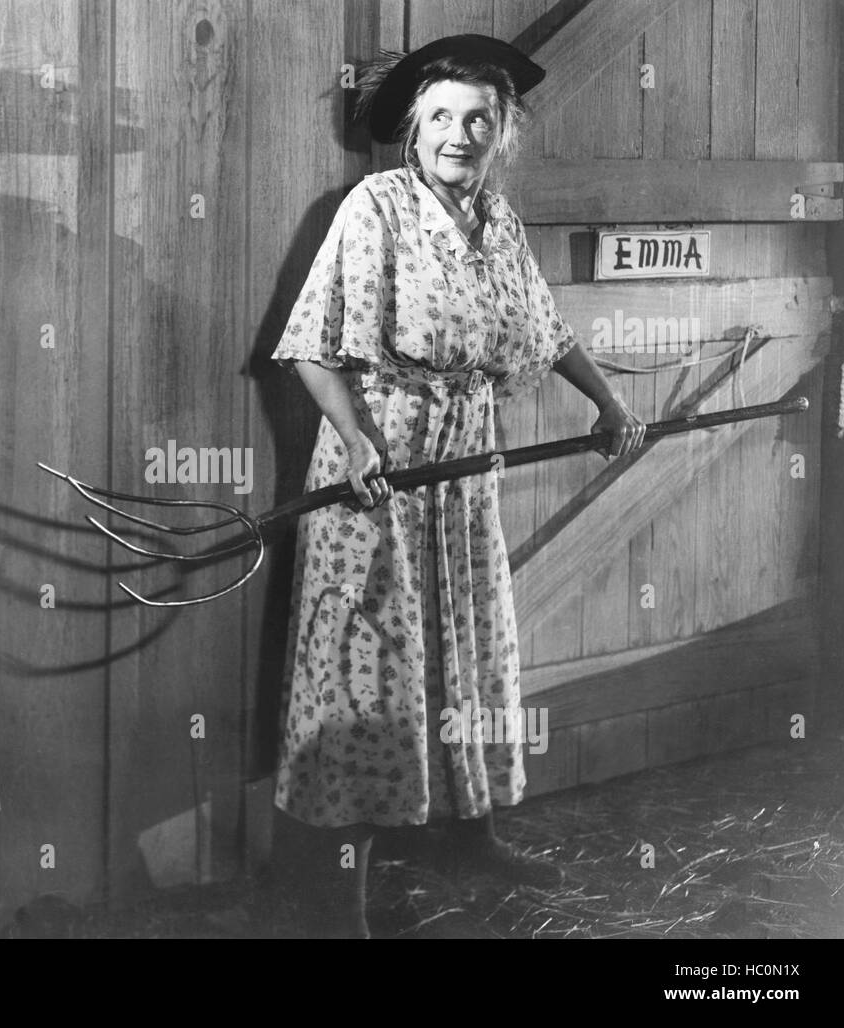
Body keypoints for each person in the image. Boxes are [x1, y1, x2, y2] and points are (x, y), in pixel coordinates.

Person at [268, 34, 646, 938]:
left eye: (480, 118)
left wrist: (609, 403)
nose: (460, 134)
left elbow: (547, 332)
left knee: (466, 648)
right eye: (442, 117)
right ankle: (324, 894)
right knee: (364, 673)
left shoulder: (500, 222)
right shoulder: (374, 208)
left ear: (502, 131)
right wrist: (356, 440)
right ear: (414, 127)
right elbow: (312, 350)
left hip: (464, 465)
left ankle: (466, 839)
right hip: (382, 468)